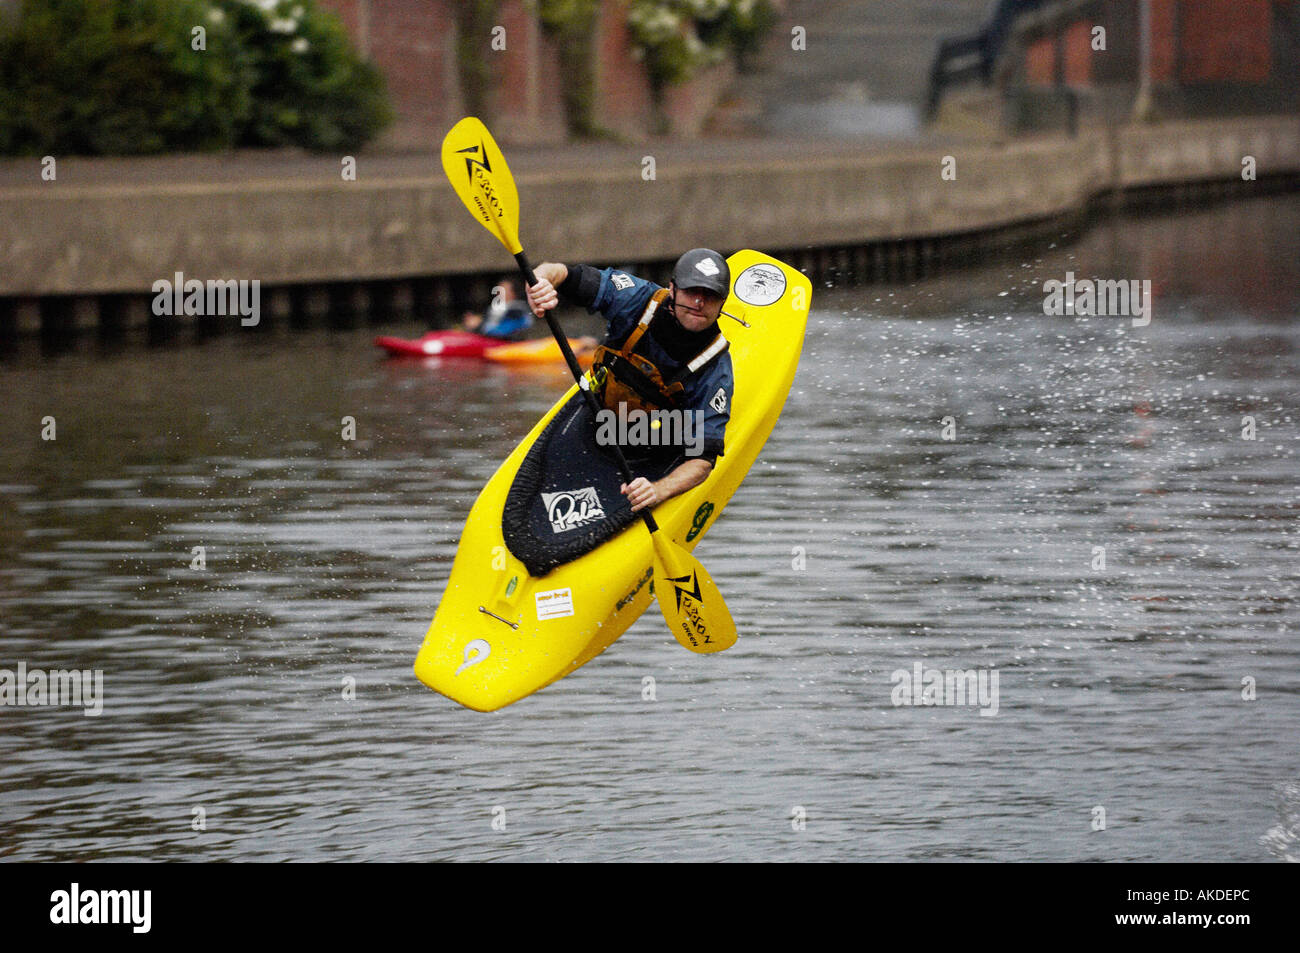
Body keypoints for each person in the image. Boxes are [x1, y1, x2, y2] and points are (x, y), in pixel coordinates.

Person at [525, 248, 734, 514]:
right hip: (595, 420)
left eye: (711, 296)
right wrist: (540, 281)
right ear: (673, 289)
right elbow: (563, 274)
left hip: (655, 449)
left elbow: (703, 460)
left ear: (723, 302)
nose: (699, 303)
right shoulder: (635, 298)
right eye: (692, 291)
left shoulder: (715, 369)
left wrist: (658, 490)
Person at [462, 275, 534, 340]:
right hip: (488, 340)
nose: (499, 292)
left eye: (503, 289)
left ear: (513, 293)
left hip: (508, 344)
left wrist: (479, 325)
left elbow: (505, 331)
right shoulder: (493, 308)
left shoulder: (518, 310)